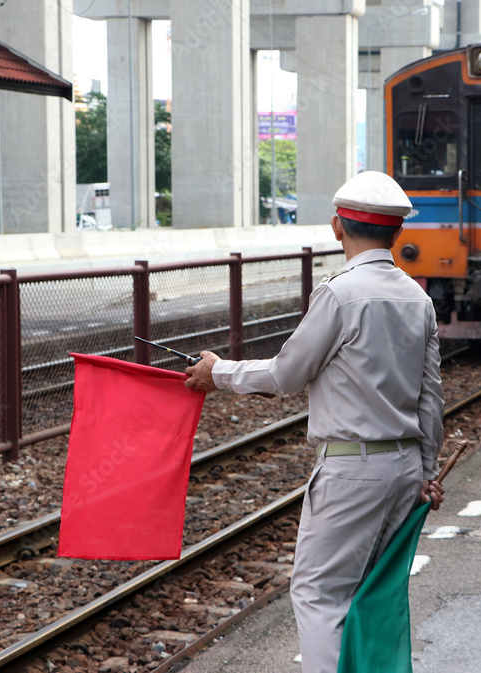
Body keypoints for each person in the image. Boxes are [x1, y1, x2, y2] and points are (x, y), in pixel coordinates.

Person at [184, 170, 446, 673]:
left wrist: (219, 373)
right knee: (371, 592)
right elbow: (430, 399)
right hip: (405, 469)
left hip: (352, 471)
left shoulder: (339, 294)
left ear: (336, 228)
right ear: (398, 233)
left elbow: (287, 373)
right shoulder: (419, 299)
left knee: (320, 594)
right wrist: (427, 473)